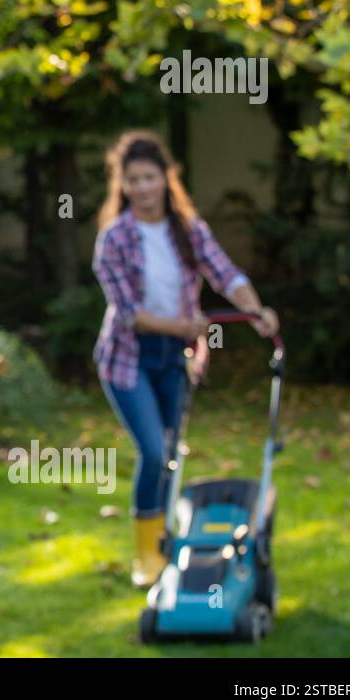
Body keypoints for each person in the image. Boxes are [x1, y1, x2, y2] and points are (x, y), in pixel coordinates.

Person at [91, 130, 278, 588]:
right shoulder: (113, 239)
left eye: (150, 177)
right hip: (127, 358)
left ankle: (164, 544)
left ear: (166, 179)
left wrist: (255, 311)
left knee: (171, 454)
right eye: (132, 180)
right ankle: (145, 557)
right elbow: (130, 314)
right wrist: (183, 327)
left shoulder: (188, 230)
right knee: (154, 451)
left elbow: (225, 273)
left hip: (175, 358)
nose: (142, 188)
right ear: (123, 184)